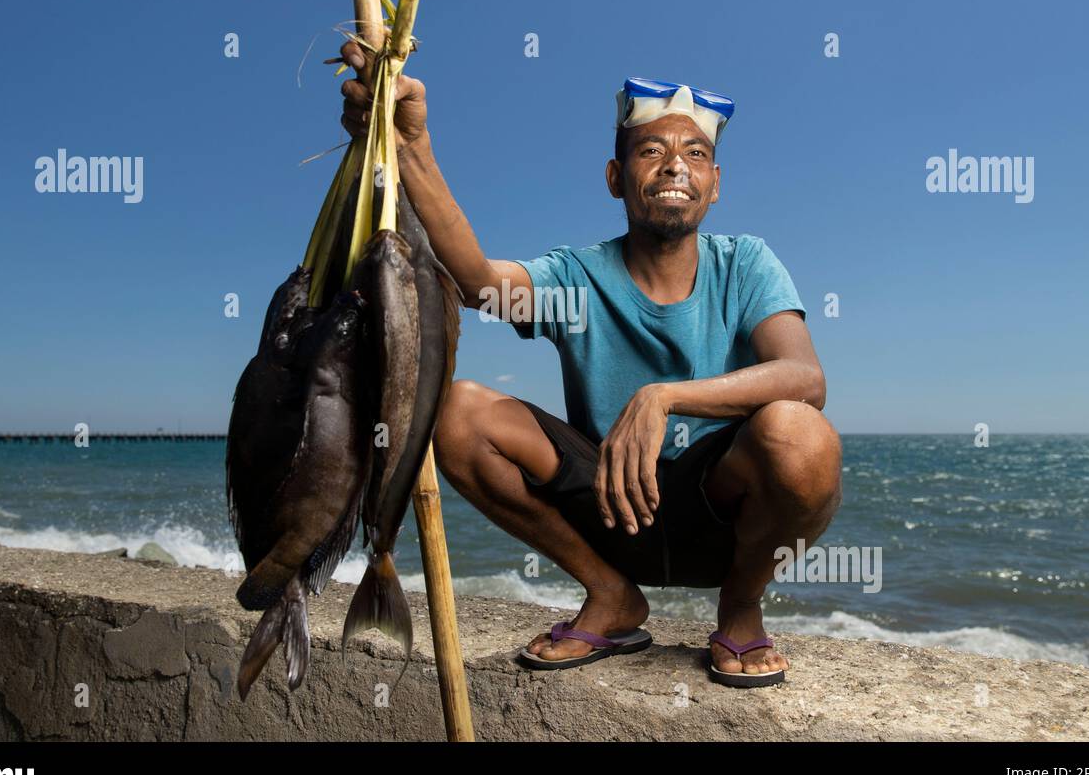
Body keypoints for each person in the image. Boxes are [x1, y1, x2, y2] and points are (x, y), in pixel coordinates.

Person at [339, 44, 842, 687]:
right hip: (611, 506)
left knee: (801, 435)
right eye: (651, 150)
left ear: (716, 184)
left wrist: (662, 397)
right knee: (458, 412)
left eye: (695, 154)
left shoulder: (746, 263)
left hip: (725, 512)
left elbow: (805, 378)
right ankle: (611, 595)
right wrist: (412, 147)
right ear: (615, 176)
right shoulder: (579, 277)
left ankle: (741, 609)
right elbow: (476, 283)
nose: (674, 166)